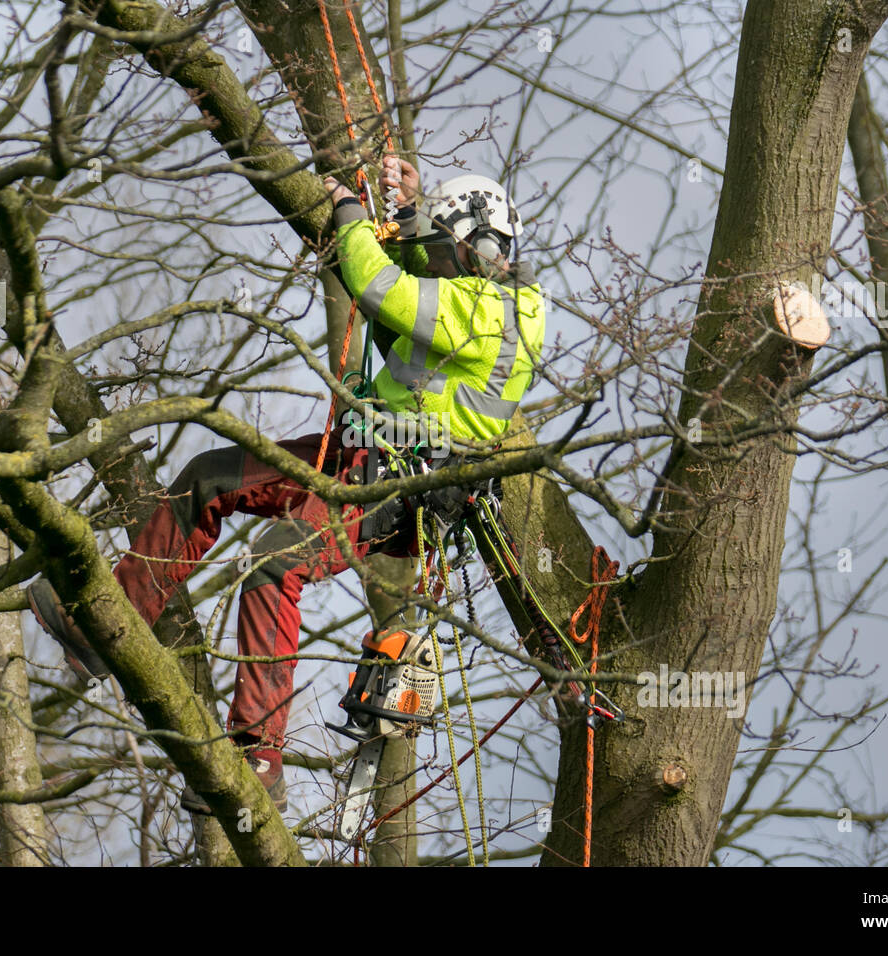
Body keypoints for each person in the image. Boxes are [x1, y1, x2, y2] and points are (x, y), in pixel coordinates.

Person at [28, 155, 546, 814]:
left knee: (275, 566)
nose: (437, 258)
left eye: (445, 247)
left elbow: (380, 285)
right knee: (209, 478)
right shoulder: (477, 294)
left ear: (474, 251)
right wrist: (413, 215)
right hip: (363, 453)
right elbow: (423, 281)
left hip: (403, 486)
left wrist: (349, 211)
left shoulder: (494, 310)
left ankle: (258, 760)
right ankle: (109, 622)